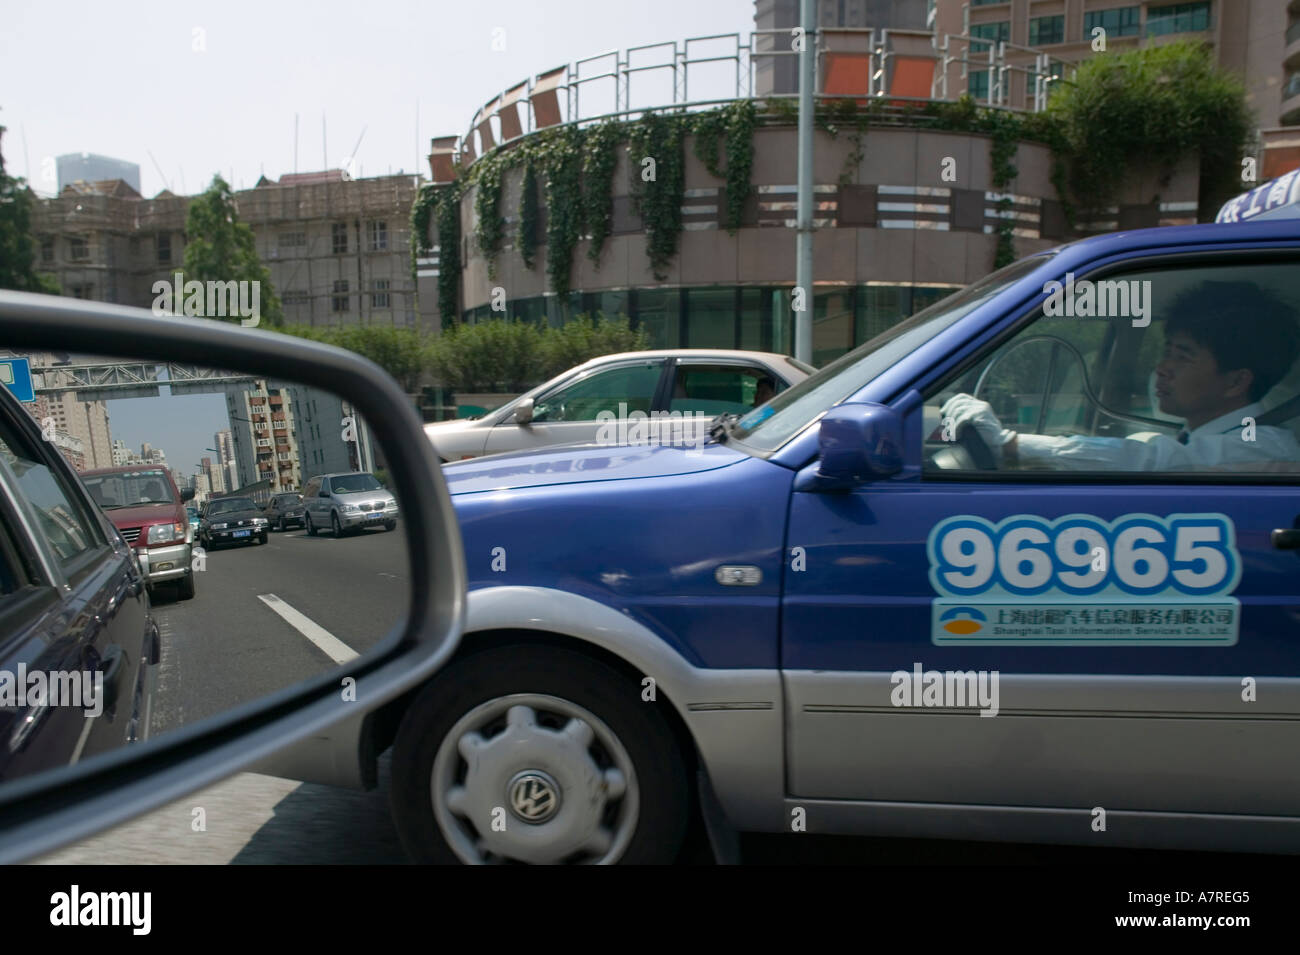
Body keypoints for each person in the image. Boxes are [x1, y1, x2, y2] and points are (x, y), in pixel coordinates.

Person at [941, 281, 1300, 471]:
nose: (1162, 367)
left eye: (1182, 356)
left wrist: (1010, 444)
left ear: (1236, 382)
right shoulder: (1190, 440)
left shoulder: (1264, 448)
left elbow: (1156, 464)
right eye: (1166, 351)